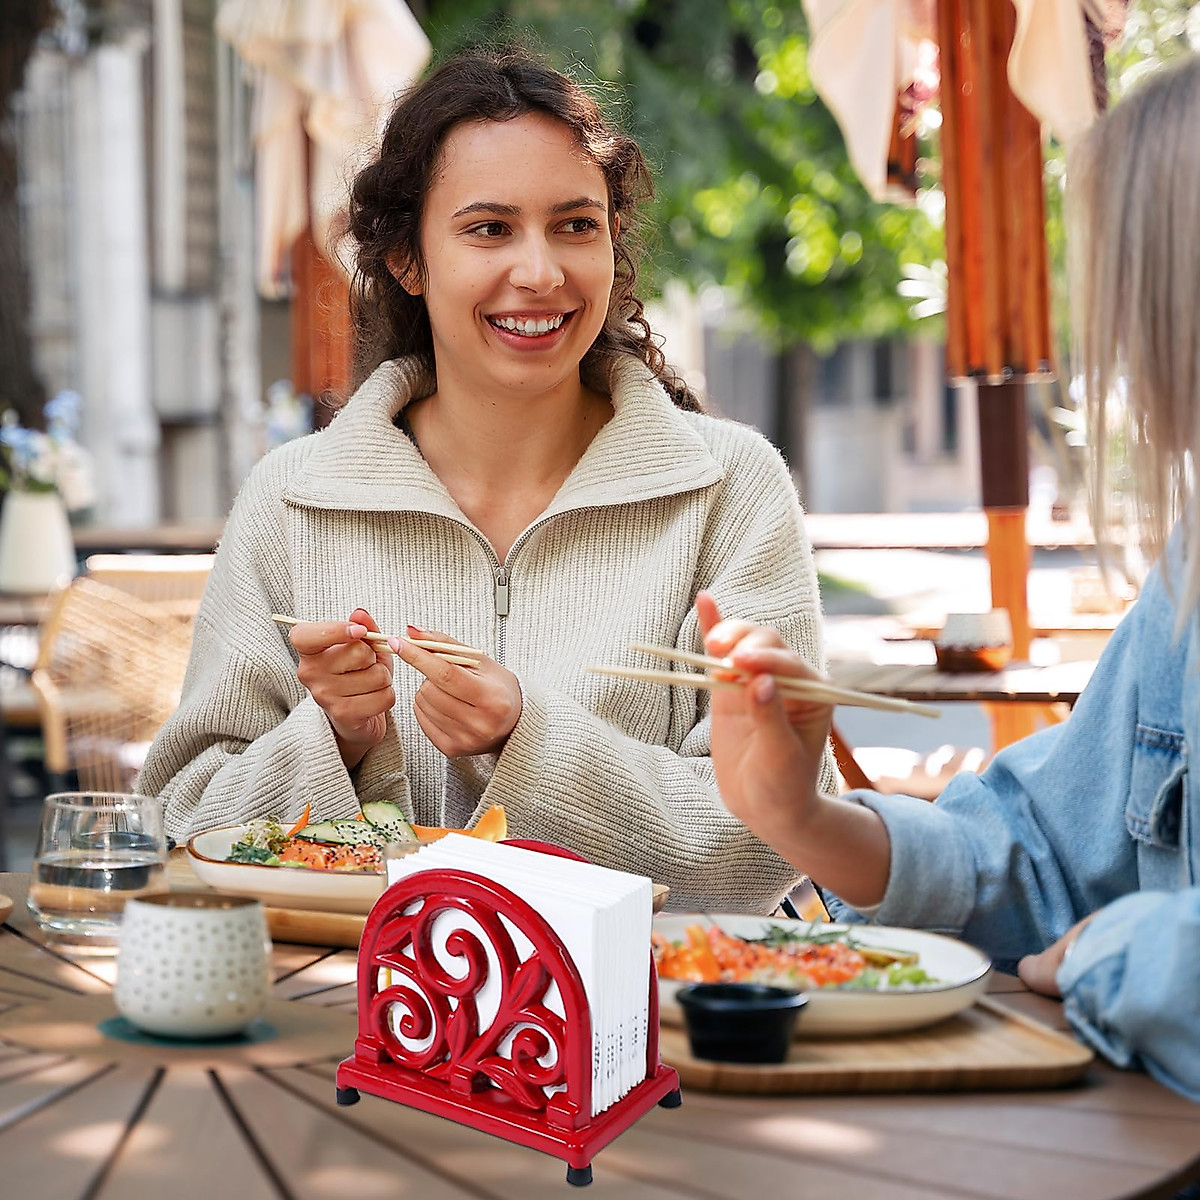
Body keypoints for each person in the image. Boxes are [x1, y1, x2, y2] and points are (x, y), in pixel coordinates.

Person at [138, 46, 836, 913]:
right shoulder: (291, 500)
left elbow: (777, 839)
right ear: (407, 259)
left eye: (576, 225)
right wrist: (337, 742)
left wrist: (528, 740)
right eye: (489, 228)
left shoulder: (730, 490)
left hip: (633, 1031)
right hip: (346, 1021)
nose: (540, 273)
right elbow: (174, 825)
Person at [697, 53, 1200, 1099]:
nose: (1112, 356)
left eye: (1131, 304)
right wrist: (808, 820)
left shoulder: (728, 475)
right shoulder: (1187, 579)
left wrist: (1120, 954)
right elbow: (1045, 847)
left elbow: (1109, 938)